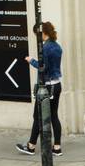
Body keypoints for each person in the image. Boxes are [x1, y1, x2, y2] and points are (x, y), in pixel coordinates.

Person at [16, 22, 63, 155]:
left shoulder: (46, 48)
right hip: (57, 84)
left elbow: (43, 67)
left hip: (47, 87)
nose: (38, 37)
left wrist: (31, 60)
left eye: (38, 35)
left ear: (43, 33)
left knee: (37, 116)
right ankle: (57, 148)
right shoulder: (57, 46)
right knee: (54, 116)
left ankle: (31, 146)